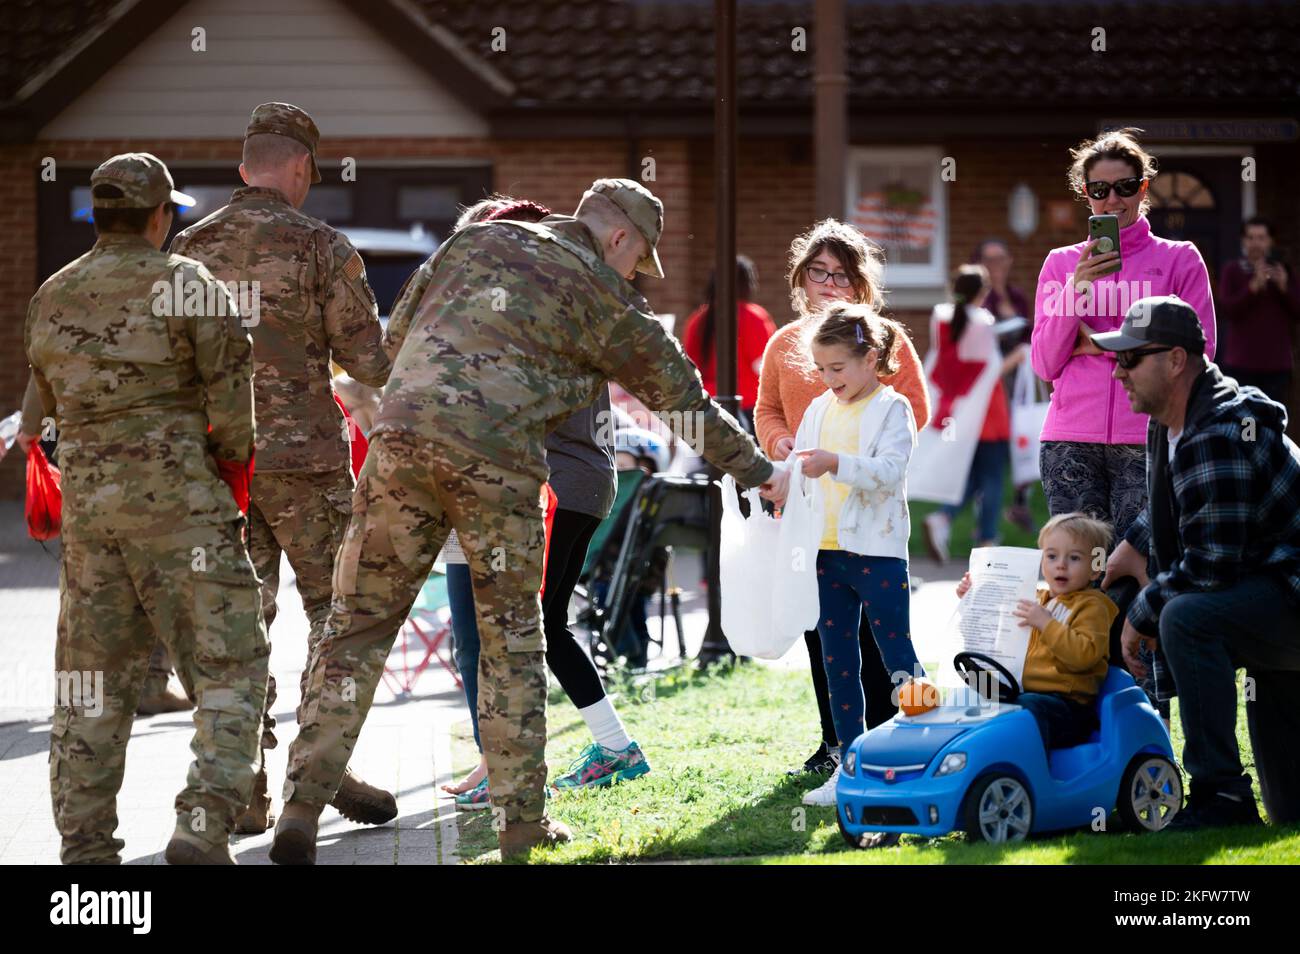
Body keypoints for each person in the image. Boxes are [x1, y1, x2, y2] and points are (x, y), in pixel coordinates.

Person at [270, 177, 782, 863]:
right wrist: (762, 474)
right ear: (621, 237)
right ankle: (521, 826)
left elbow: (392, 346)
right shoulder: (607, 297)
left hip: (399, 446)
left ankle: (300, 809)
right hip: (497, 465)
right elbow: (685, 405)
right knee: (513, 640)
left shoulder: (474, 239)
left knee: (356, 628)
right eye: (640, 260)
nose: (637, 274)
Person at [26, 153, 267, 864]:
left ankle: (85, 847)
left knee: (89, 685)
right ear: (161, 216)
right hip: (182, 506)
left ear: (98, 217)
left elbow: (43, 409)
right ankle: (201, 822)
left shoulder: (53, 294)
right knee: (231, 667)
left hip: (93, 519)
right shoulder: (185, 283)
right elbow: (233, 400)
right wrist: (229, 478)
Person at [170, 103, 395, 835]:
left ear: (243, 168)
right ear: (300, 170)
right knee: (339, 612)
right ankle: (318, 768)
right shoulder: (323, 246)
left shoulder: (189, 247)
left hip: (220, 466)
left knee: (239, 624)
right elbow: (370, 360)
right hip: (307, 465)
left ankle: (243, 786)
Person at [431, 197, 648, 810]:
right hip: (555, 484)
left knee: (533, 626)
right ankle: (514, 760)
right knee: (520, 627)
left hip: (559, 485)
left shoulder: (537, 304)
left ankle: (607, 748)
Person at [1096, 296, 1300, 830]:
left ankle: (1222, 798)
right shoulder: (1174, 419)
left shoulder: (1217, 431)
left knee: (1184, 617)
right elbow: (1187, 502)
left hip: (1288, 590)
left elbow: (1212, 565)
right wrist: (1135, 542)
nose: (1119, 372)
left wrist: (1143, 610)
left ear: (1177, 360)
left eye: (1131, 359)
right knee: (1291, 812)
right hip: (1272, 589)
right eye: (1117, 359)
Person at [1032, 128, 1215, 708]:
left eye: (1124, 188)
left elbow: (1201, 349)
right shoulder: (1062, 264)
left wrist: (1098, 345)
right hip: (1070, 440)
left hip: (1148, 438)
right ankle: (1081, 702)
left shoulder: (1177, 259)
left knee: (1140, 572)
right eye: (1098, 191)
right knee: (1078, 578)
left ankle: (1147, 712)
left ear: (1144, 190)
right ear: (1084, 196)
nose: (1112, 202)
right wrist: (1078, 294)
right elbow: (1044, 359)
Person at [755, 218, 931, 778]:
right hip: (811, 520)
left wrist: (845, 458)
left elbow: (913, 413)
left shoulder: (883, 340)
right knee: (825, 637)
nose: (829, 284)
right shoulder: (785, 343)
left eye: (841, 275)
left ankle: (902, 735)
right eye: (817, 273)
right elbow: (769, 412)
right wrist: (780, 446)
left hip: (868, 523)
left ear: (860, 285)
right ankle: (840, 743)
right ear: (801, 281)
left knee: (884, 638)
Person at [782, 303, 929, 819]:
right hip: (825, 556)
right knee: (837, 662)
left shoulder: (894, 409)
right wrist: (772, 481)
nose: (827, 378)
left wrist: (835, 464)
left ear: (870, 358)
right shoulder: (819, 410)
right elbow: (798, 466)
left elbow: (889, 471)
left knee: (896, 656)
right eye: (821, 369)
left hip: (878, 554)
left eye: (837, 367)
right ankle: (850, 764)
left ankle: (924, 752)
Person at [956, 513, 1118, 751]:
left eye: (1074, 558)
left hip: (1067, 707)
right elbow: (995, 631)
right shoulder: (1035, 600)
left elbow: (1084, 656)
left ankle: (1016, 761)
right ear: (1042, 561)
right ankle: (969, 755)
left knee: (1024, 709)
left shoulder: (1093, 606)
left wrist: (1047, 624)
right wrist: (972, 600)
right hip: (1020, 690)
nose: (1061, 564)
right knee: (968, 700)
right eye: (1052, 556)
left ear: (1095, 568)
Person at [922, 264, 1028, 562]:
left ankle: (944, 518)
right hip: (987, 408)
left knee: (973, 475)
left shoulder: (941, 318)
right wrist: (1018, 357)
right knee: (992, 476)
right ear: (982, 293)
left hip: (961, 408)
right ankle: (985, 541)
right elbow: (991, 369)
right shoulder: (981, 321)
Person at [974, 238, 1037, 531]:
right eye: (989, 260)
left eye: (1001, 259)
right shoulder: (980, 302)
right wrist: (1014, 357)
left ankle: (1020, 504)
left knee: (1026, 437)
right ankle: (985, 518)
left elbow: (1030, 336)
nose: (996, 266)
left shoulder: (1017, 296)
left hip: (1021, 381)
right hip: (994, 384)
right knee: (995, 452)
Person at [680, 255, 777, 431]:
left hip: (706, 406)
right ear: (747, 283)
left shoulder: (697, 319)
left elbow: (689, 368)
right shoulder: (753, 316)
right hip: (748, 407)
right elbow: (762, 367)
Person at [1218, 216, 1299, 409]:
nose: (1256, 243)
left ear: (1271, 241)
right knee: (1244, 423)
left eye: (1261, 238)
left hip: (1277, 366)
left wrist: (1284, 287)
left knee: (1274, 423)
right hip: (1241, 364)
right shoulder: (1233, 270)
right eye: (1251, 238)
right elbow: (1226, 310)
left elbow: (1297, 311)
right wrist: (1252, 288)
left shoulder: (1283, 271)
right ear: (1243, 241)